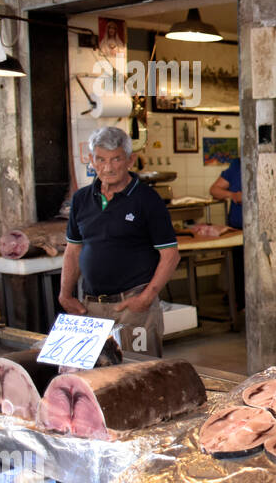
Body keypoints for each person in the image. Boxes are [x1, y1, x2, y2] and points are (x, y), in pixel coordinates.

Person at [59, 126, 180, 355]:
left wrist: (146, 298)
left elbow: (170, 255)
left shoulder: (147, 199)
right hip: (90, 307)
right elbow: (73, 250)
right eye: (100, 159)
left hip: (133, 307)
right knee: (93, 379)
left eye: (116, 159)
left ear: (130, 160)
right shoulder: (81, 199)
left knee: (140, 376)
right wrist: (65, 294)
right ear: (91, 160)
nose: (108, 167)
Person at [209, 156, 245, 308]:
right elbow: (214, 190)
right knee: (238, 266)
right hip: (238, 228)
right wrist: (233, 195)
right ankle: (239, 301)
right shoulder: (237, 165)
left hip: (264, 230)